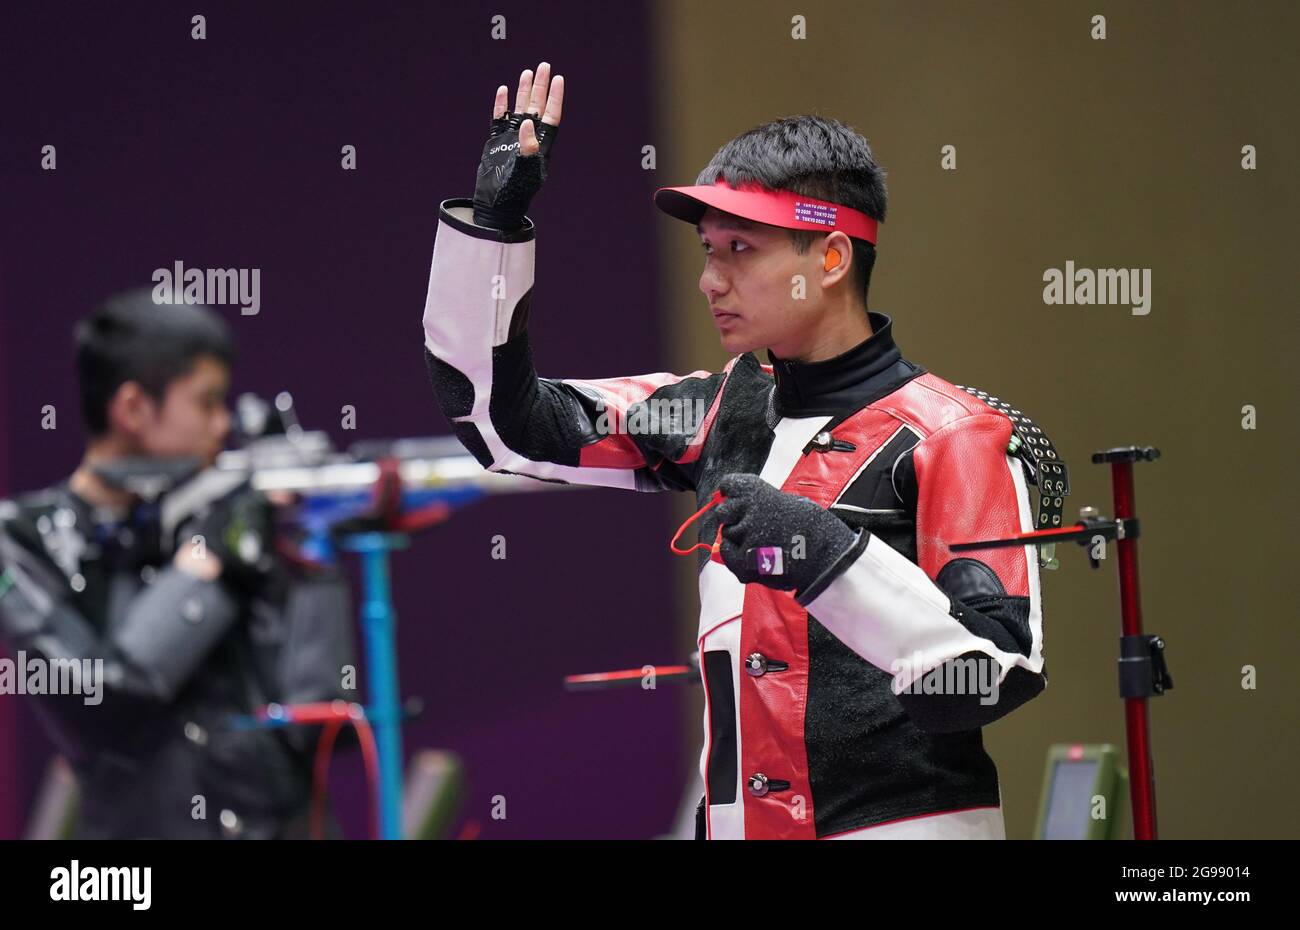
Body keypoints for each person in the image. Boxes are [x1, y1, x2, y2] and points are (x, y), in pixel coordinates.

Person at [422, 62, 1067, 839]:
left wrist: (831, 556)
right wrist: (492, 229)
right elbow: (500, 423)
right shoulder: (718, 408)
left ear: (830, 260)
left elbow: (994, 673)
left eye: (739, 249)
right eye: (706, 248)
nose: (708, 280)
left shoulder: (956, 435)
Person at [0, 289, 355, 839]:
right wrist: (207, 560)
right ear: (133, 409)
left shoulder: (228, 508)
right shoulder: (19, 541)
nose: (221, 426)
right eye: (207, 402)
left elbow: (324, 715)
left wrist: (308, 542)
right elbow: (104, 694)